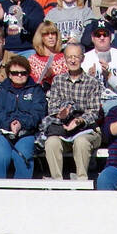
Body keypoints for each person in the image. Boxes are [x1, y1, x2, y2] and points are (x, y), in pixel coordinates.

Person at [41, 42, 104, 180]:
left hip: (85, 128)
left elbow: (94, 112)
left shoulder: (92, 82)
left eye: (76, 56)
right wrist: (61, 114)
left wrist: (78, 121)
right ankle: (57, 182)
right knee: (52, 142)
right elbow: (52, 107)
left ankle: (82, 180)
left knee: (81, 142)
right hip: (62, 127)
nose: (73, 60)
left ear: (82, 58)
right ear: (64, 58)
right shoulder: (58, 80)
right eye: (69, 57)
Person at [0, 54, 46, 179]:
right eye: (15, 73)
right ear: (9, 74)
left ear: (28, 73)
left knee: (22, 155)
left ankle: (21, 192)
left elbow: (38, 113)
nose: (19, 76)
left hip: (27, 132)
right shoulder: (2, 90)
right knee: (0, 155)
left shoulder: (36, 90)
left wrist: (21, 123)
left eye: (23, 73)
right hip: (5, 131)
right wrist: (10, 123)